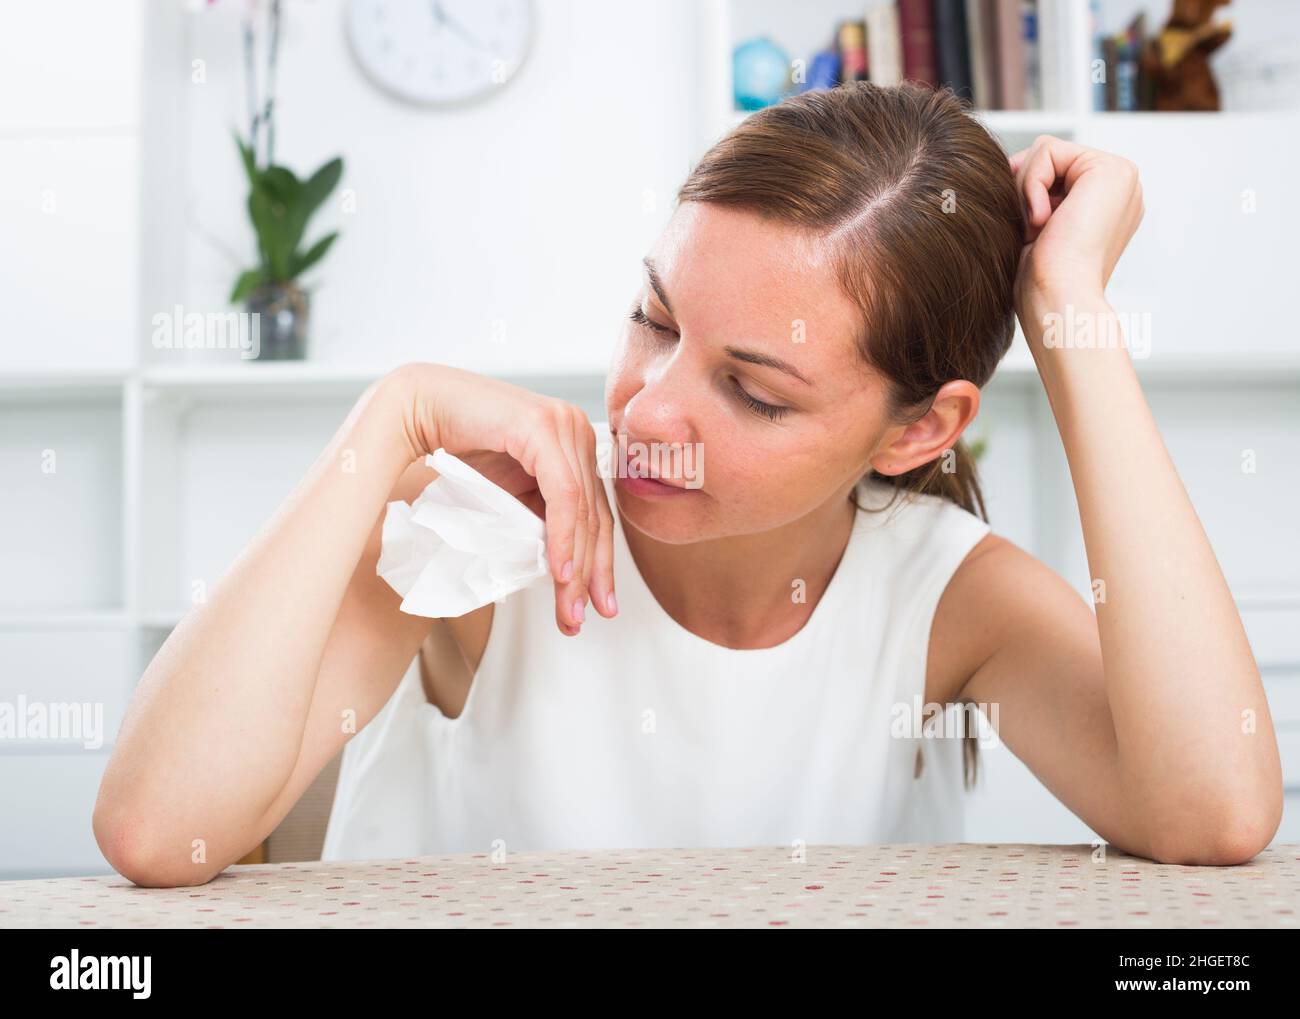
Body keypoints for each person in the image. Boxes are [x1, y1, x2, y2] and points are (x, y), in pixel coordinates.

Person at [94, 83, 1282, 887]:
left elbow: (1213, 817)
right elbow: (158, 830)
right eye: (650, 318)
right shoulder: (492, 527)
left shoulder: (943, 595)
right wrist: (384, 420)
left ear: (919, 429)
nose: (650, 407)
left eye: (754, 391)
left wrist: (1067, 312)